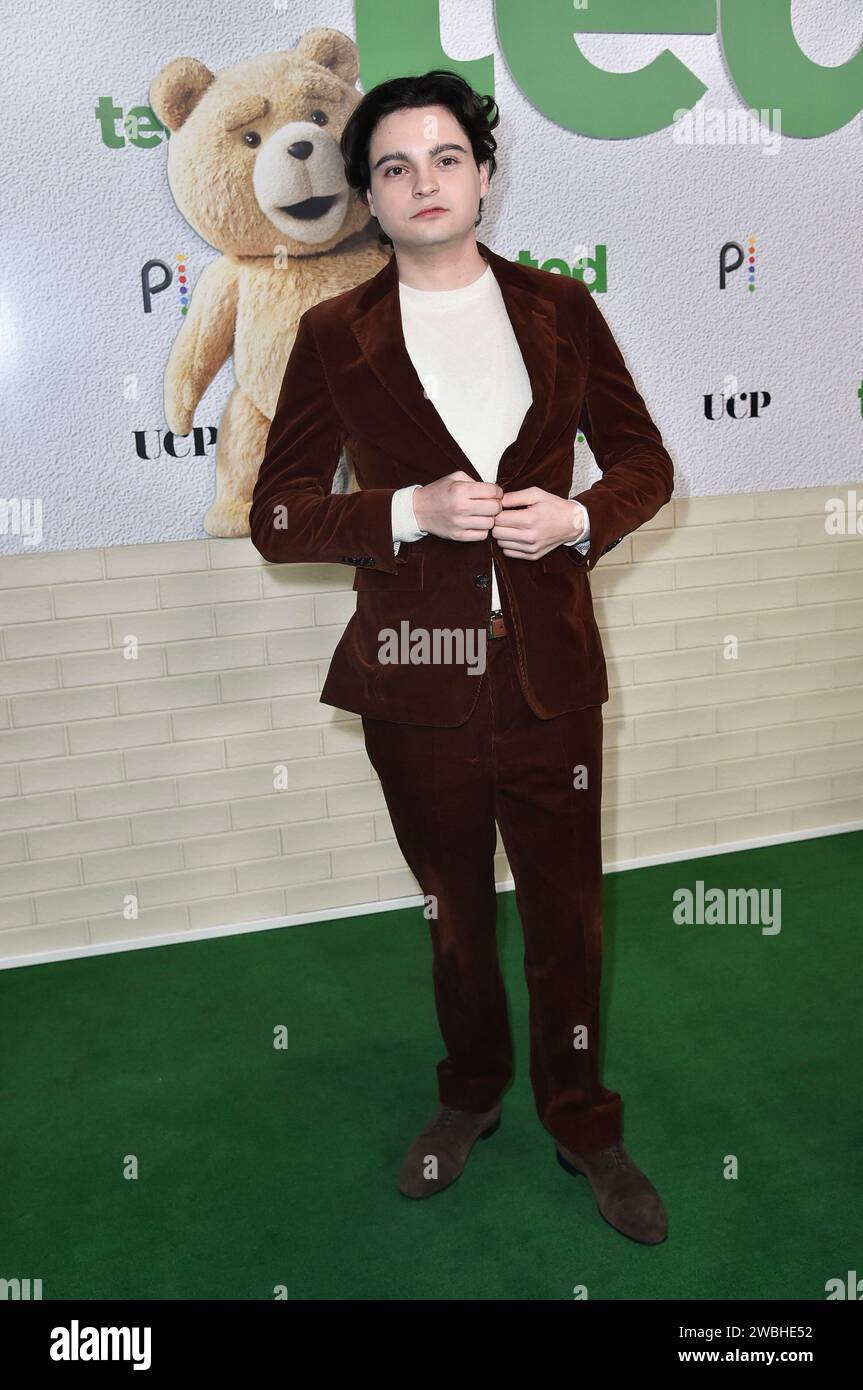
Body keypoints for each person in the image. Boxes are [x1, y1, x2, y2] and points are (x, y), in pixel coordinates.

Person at [249, 70, 674, 1245]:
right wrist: (400, 512)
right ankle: (468, 1093)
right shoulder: (333, 334)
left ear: (483, 174)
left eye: (444, 158)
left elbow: (645, 462)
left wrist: (580, 519)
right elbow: (277, 515)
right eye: (393, 168)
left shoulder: (561, 308)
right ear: (369, 200)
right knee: (452, 910)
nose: (422, 182)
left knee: (567, 912)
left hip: (549, 673)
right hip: (416, 672)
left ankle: (584, 1122)